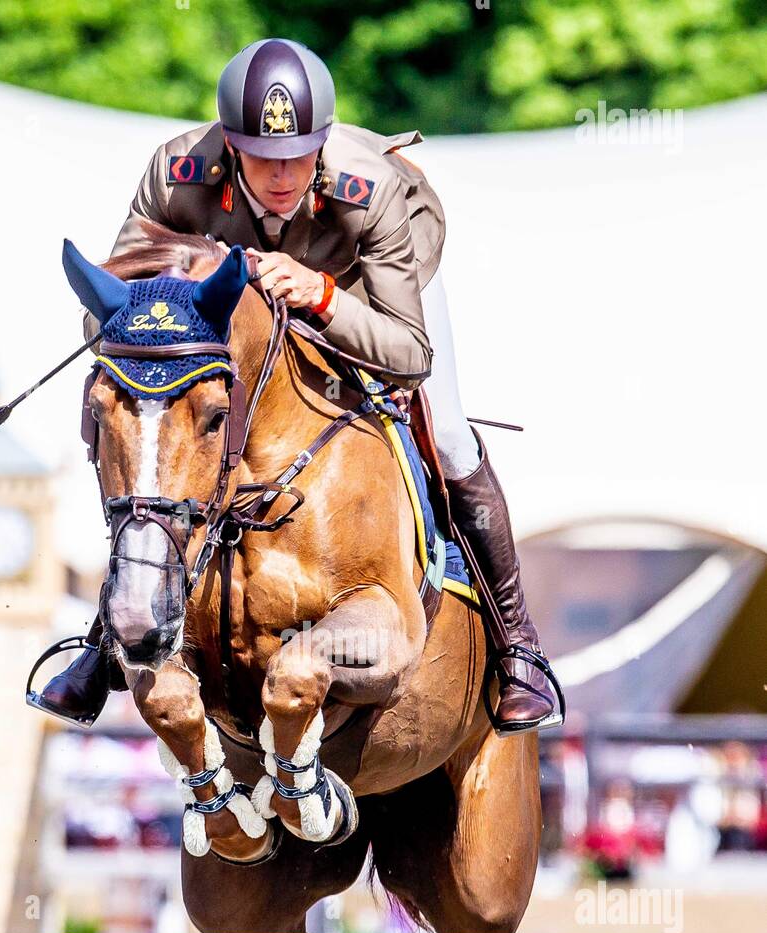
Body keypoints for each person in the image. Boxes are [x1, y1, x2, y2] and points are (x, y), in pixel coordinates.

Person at [40, 36, 561, 735]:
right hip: (228, 314)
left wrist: (320, 296)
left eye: (298, 155)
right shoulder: (176, 172)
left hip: (369, 289)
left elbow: (408, 353)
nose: (283, 175)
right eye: (262, 157)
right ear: (229, 144)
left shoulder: (366, 190)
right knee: (142, 420)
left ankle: (517, 645)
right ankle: (109, 631)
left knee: (452, 431)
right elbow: (110, 310)